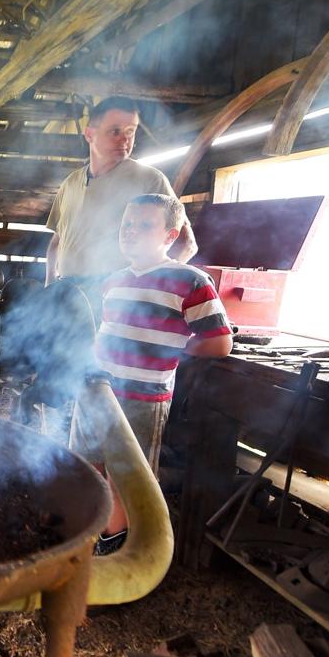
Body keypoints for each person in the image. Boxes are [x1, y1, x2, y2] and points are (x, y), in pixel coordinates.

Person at [89, 193, 232, 553]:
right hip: (100, 392)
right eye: (127, 225)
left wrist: (170, 350)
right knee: (94, 463)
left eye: (145, 225)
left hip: (143, 396)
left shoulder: (190, 281)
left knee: (129, 474)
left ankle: (126, 548)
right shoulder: (114, 281)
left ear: (170, 235)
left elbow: (219, 343)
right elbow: (107, 332)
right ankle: (94, 532)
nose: (131, 232)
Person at [45, 96, 198, 319]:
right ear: (90, 134)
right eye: (115, 131)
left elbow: (186, 243)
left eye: (131, 131)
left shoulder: (149, 180)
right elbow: (56, 244)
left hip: (117, 298)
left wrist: (143, 291)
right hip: (67, 294)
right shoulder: (70, 183)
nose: (125, 140)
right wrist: (50, 285)